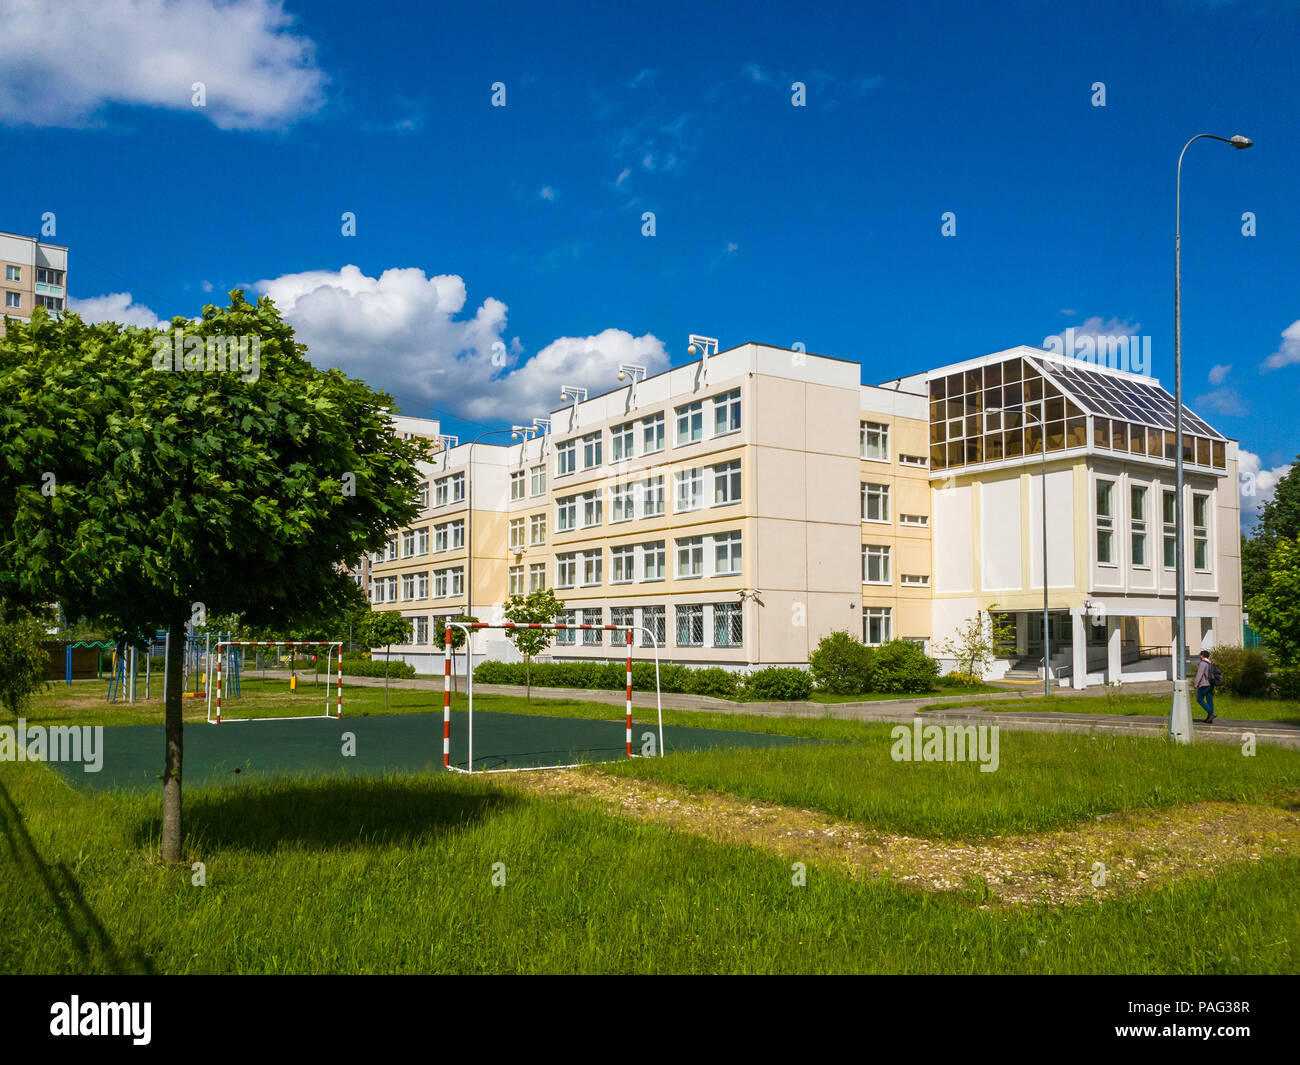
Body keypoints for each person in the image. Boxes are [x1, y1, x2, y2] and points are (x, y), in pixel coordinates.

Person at [1194, 650, 1217, 724]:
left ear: (1202, 656)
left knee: (1199, 699)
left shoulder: (1203, 663)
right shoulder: (1210, 662)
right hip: (1211, 684)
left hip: (1204, 684)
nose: (1199, 656)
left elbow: (1199, 674)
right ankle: (1209, 719)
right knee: (1209, 700)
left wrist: (1196, 683)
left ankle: (1211, 713)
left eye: (1200, 655)